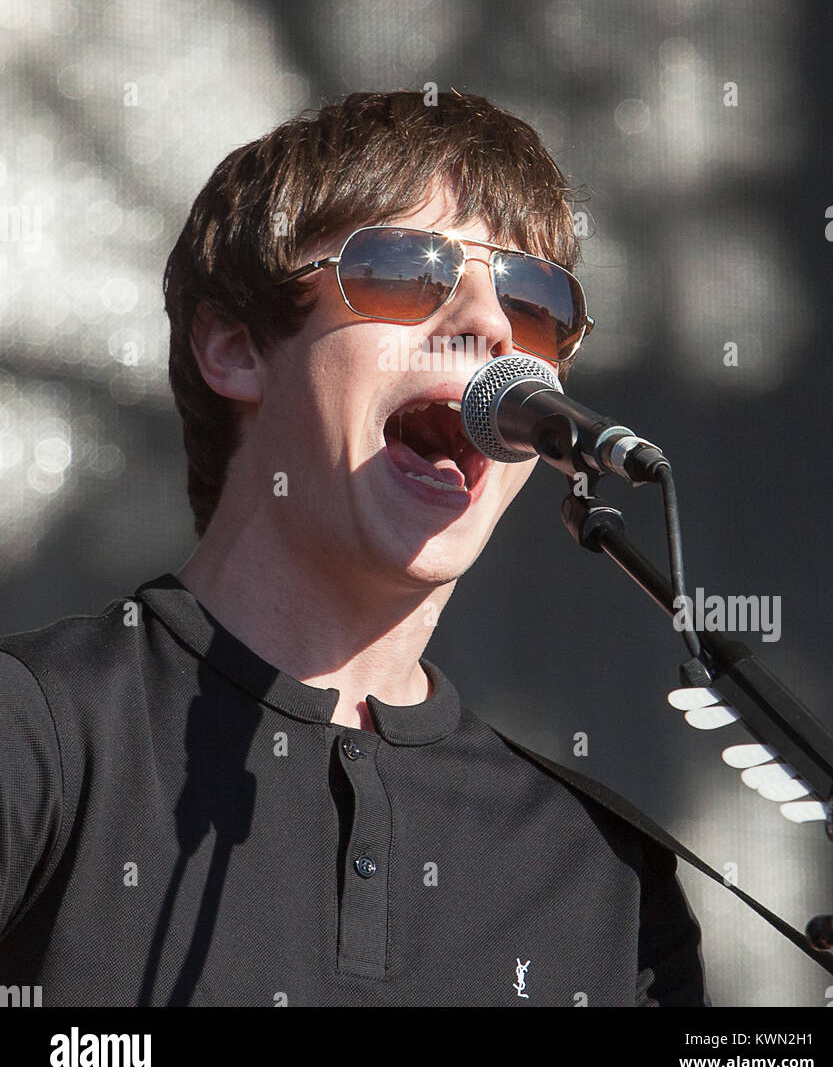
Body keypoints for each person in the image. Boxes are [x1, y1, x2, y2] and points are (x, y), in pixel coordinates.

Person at [0, 90, 708, 1006]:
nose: (492, 329)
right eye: (410, 268)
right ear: (236, 347)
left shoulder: (604, 877)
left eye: (537, 304)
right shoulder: (37, 737)